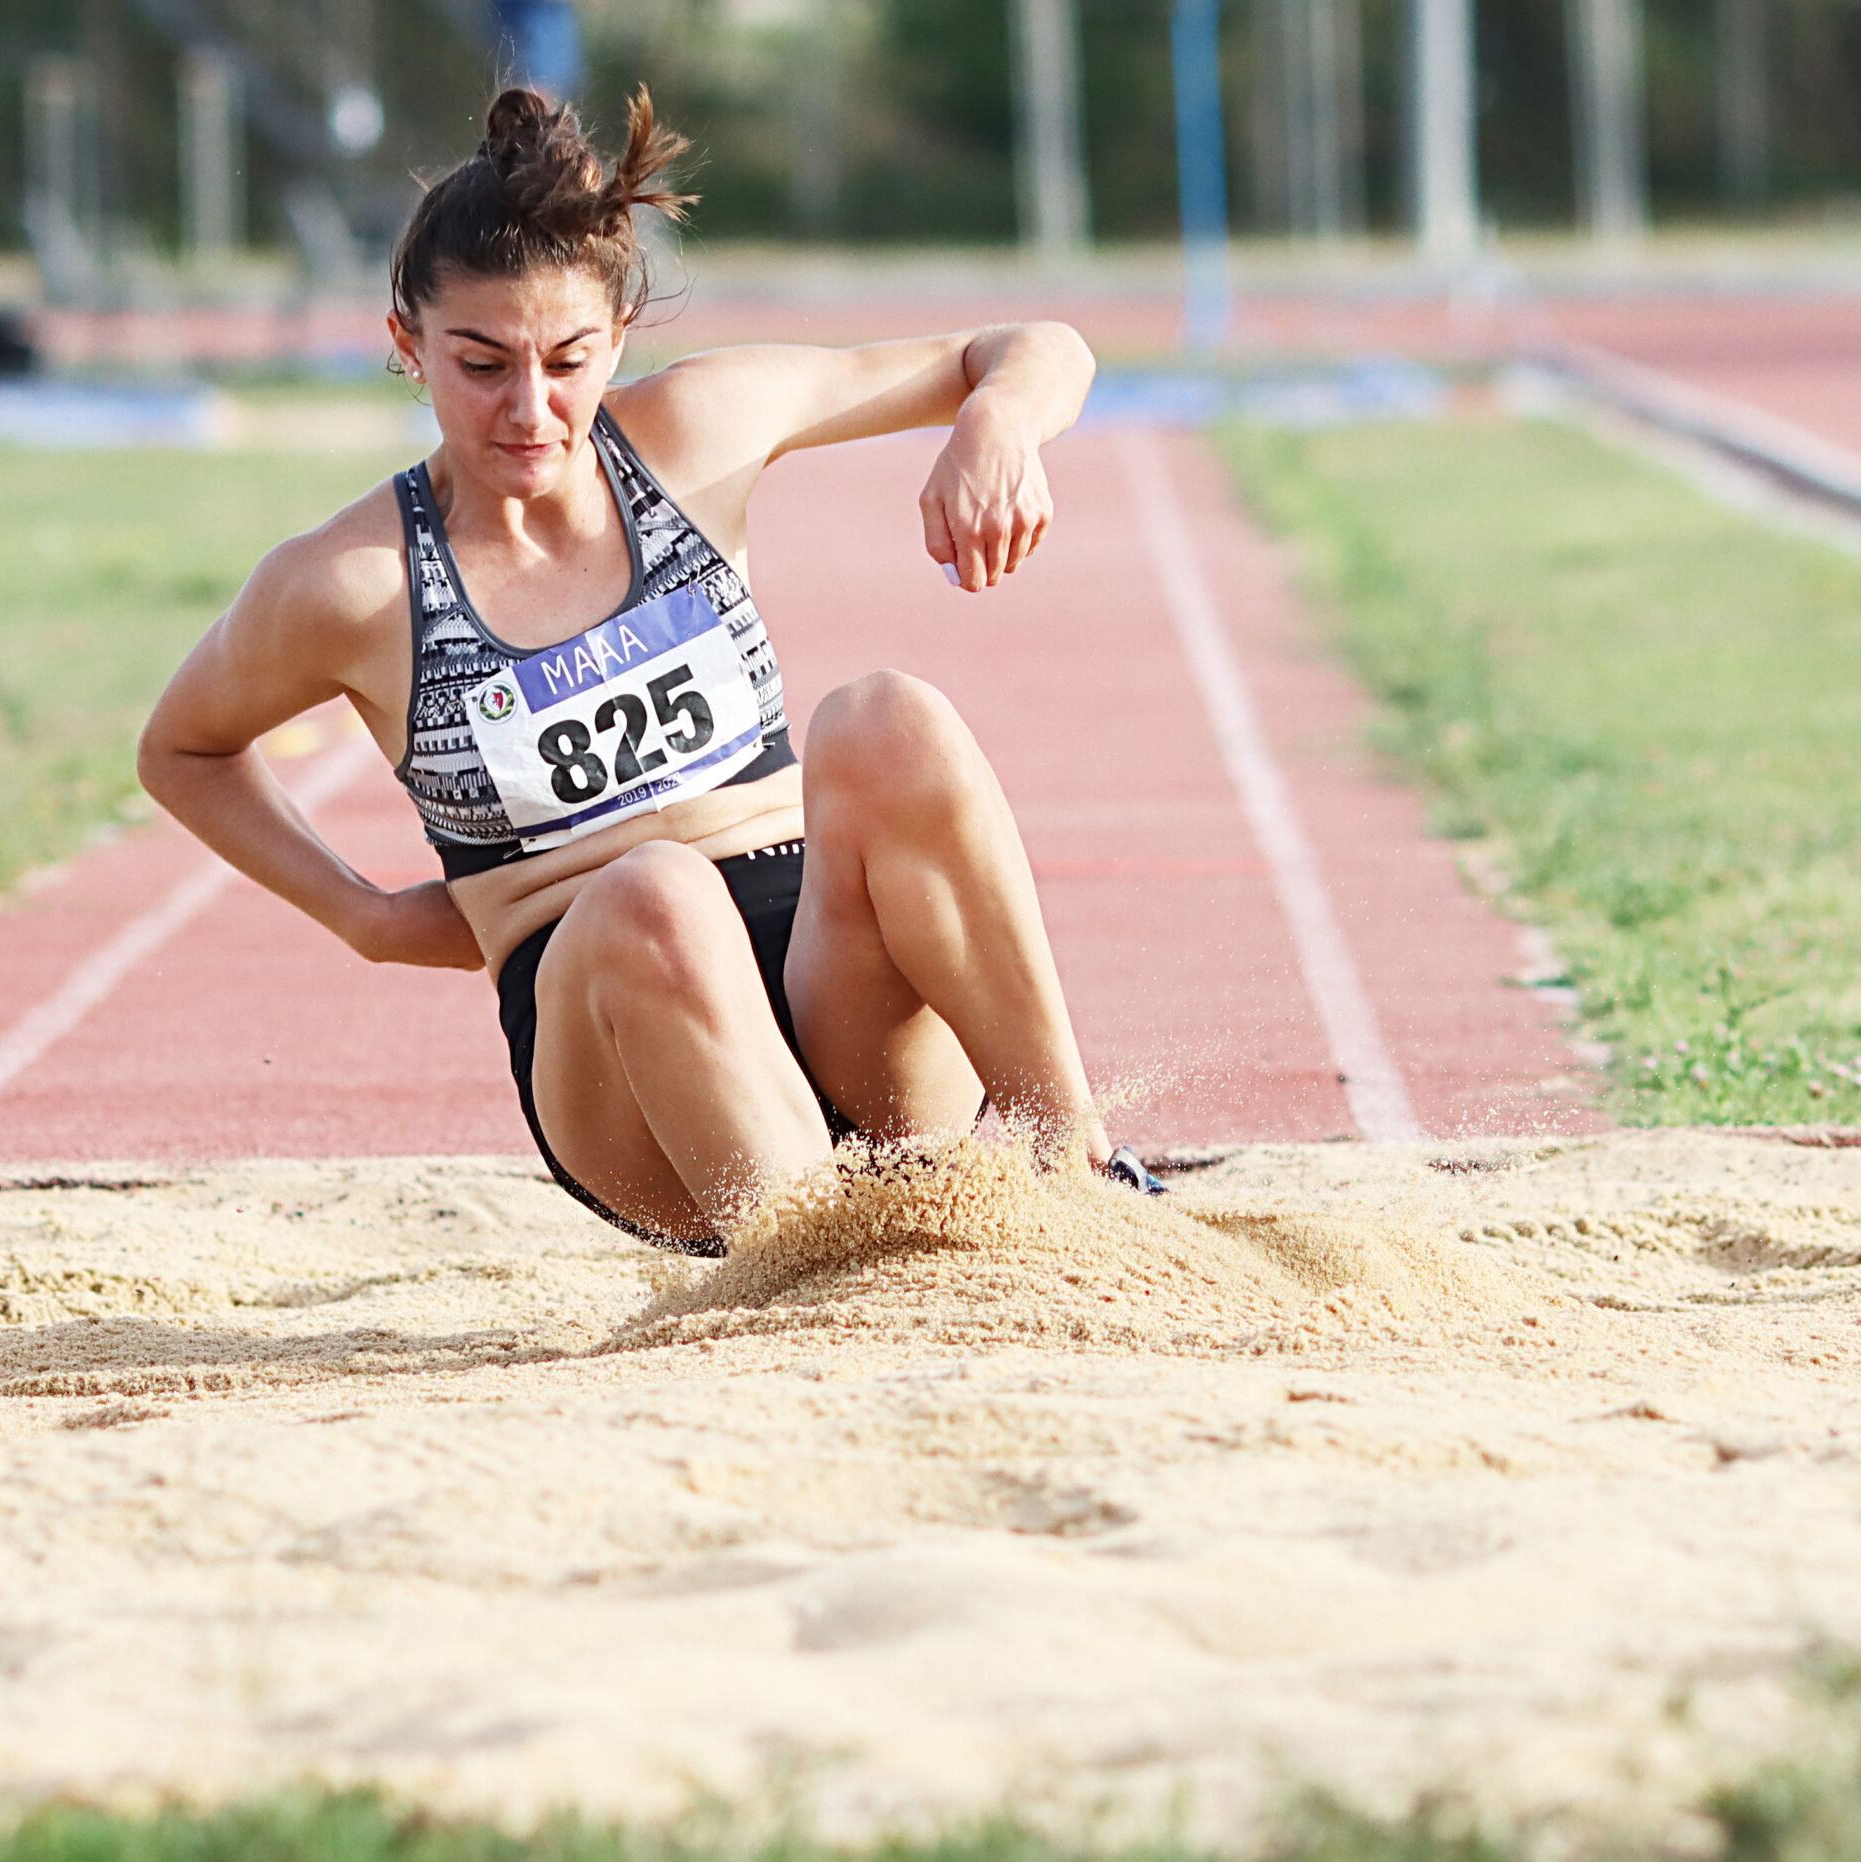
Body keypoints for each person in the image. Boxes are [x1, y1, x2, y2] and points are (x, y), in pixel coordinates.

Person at [141, 88, 1157, 1255]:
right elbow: (182, 748)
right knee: (652, 887)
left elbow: (1035, 349)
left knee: (889, 716)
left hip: (838, 995)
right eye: (481, 365)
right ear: (405, 345)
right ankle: (805, 1265)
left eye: (568, 360)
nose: (531, 409)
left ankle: (1072, 1159)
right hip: (622, 1046)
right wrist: (365, 916)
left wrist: (998, 428)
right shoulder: (352, 583)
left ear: (617, 338)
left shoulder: (694, 429)